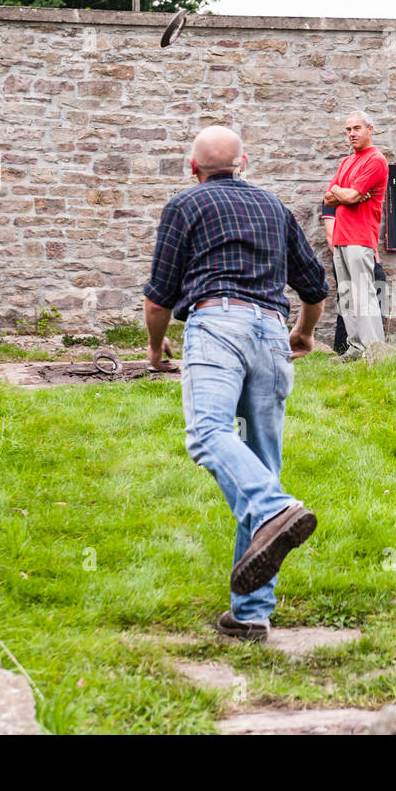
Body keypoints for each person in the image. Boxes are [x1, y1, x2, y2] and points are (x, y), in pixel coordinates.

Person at [144, 125, 329, 640]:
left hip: (216, 325)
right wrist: (304, 333)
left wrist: (157, 351)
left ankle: (278, 509)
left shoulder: (185, 206)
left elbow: (159, 297)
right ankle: (250, 614)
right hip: (272, 330)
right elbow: (314, 286)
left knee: (207, 434)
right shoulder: (273, 207)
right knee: (261, 463)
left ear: (193, 167)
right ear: (243, 163)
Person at [323, 110, 387, 358]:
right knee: (347, 296)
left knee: (364, 295)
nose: (351, 134)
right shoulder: (347, 162)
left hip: (360, 239)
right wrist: (345, 192)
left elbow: (346, 196)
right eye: (348, 130)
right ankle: (355, 348)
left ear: (370, 130)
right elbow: (328, 198)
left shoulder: (375, 160)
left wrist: (345, 193)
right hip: (340, 238)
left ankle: (374, 352)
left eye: (356, 128)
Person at [320, 200, 387, 354]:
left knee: (376, 304)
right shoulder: (332, 200)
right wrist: (346, 262)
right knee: (349, 304)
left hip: (370, 260)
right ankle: (344, 351)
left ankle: (375, 350)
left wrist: (377, 262)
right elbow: (331, 236)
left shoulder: (362, 199)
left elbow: (368, 232)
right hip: (348, 260)